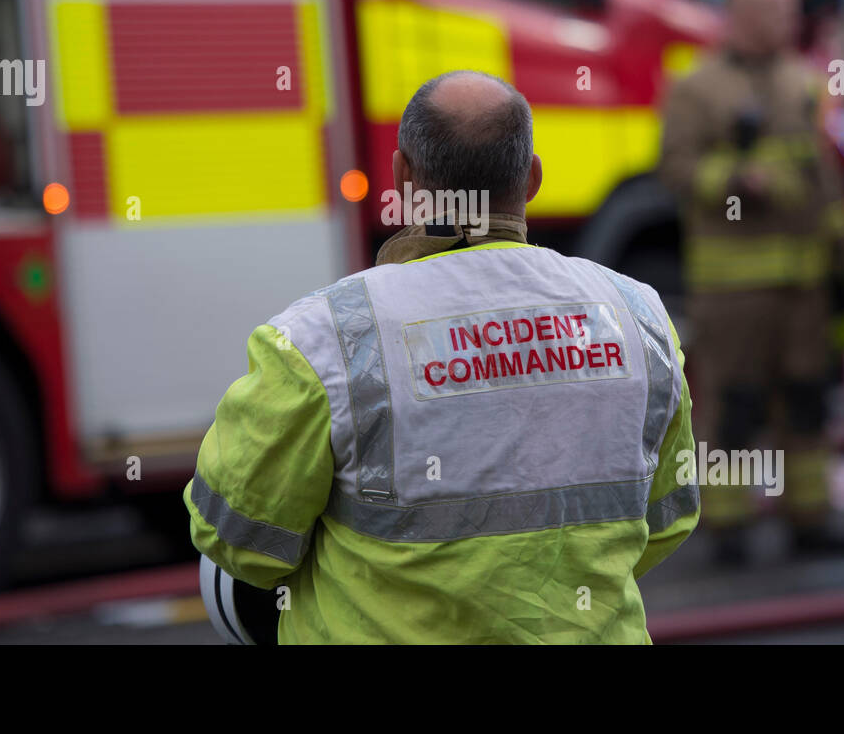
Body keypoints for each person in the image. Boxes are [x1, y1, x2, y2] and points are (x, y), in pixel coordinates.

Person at [185, 70, 698, 643]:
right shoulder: (639, 314)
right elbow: (665, 518)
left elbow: (238, 537)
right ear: (531, 178)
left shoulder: (324, 337)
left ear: (403, 176)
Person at [659, 0, 844, 567]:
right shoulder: (695, 88)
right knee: (731, 406)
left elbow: (825, 175)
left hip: (804, 286)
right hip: (732, 288)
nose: (791, 24)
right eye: (779, 13)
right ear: (742, 16)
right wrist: (738, 179)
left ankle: (811, 520)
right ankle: (728, 528)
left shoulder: (805, 82)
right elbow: (676, 169)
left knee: (806, 402)